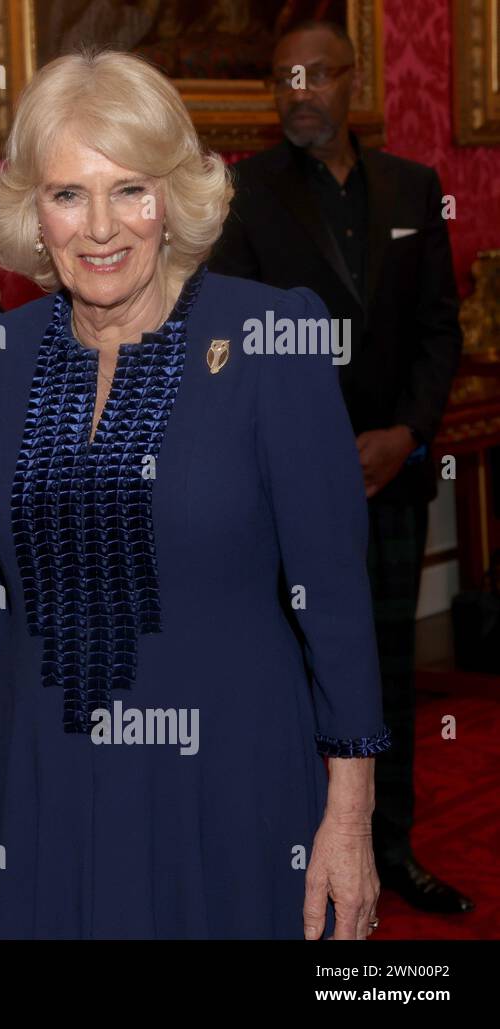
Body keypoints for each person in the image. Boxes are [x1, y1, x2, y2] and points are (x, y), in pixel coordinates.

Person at [0, 49, 389, 939]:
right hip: (40, 773)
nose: (99, 227)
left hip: (225, 777)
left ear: (173, 198)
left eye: (130, 190)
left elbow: (337, 595)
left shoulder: (271, 334)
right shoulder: (1, 355)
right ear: (33, 212)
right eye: (67, 193)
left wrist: (350, 817)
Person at [210, 20, 469, 914]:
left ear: (354, 81)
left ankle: (387, 847)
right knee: (289, 669)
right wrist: (312, 451)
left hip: (391, 479)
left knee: (384, 669)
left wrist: (407, 433)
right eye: (285, 77)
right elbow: (235, 343)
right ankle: (292, 853)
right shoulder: (242, 194)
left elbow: (440, 328)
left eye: (317, 74)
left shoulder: (413, 186)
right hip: (285, 491)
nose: (301, 91)